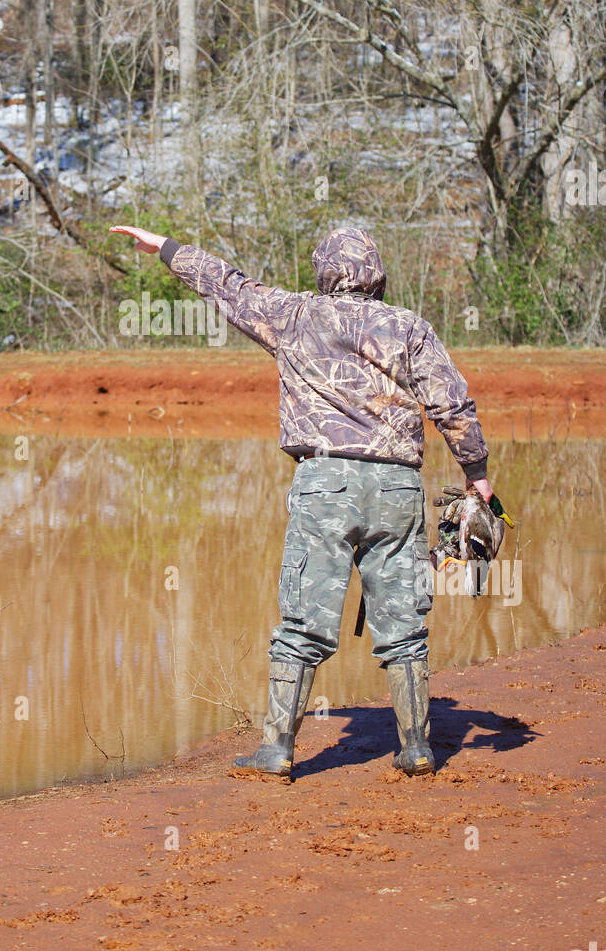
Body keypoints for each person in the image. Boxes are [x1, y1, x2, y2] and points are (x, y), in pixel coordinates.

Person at [110, 223, 495, 779]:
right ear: (376, 272)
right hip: (396, 489)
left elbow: (225, 283)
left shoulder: (293, 314)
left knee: (304, 623)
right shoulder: (407, 327)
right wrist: (476, 473)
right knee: (404, 624)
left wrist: (165, 247)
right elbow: (452, 404)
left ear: (323, 271)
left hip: (325, 487)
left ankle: (277, 750)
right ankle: (415, 747)